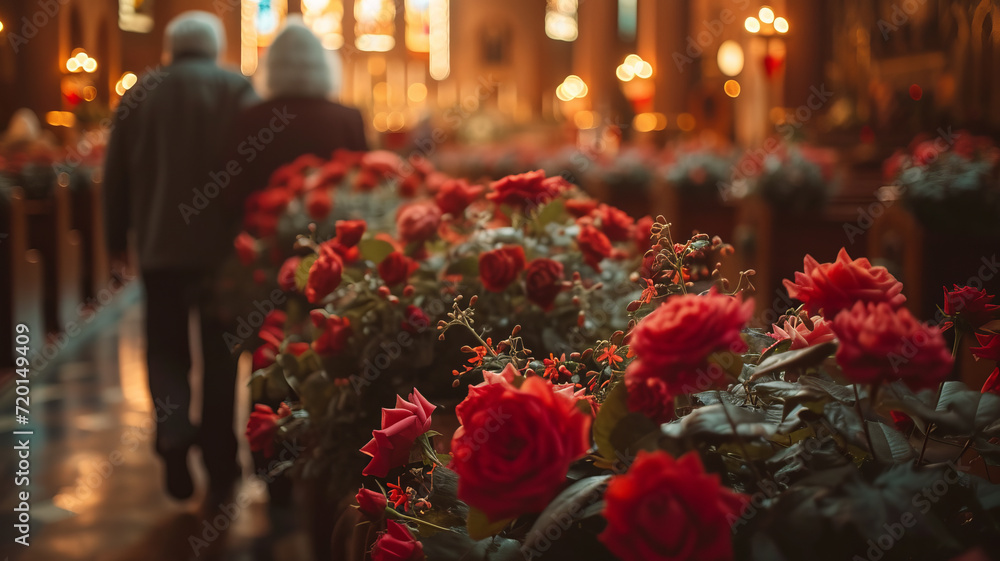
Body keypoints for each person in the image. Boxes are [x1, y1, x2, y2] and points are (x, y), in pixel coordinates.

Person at [102, 11, 257, 503]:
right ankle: (219, 457)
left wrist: (114, 241)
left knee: (166, 348)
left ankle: (172, 435)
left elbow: (116, 176)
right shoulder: (237, 88)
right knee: (220, 355)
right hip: (221, 253)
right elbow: (254, 166)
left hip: (159, 248)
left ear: (171, 47)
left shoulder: (138, 93)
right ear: (214, 47)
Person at [225, 16, 368, 208]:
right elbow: (363, 187)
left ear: (271, 65)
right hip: (332, 229)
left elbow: (236, 187)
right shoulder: (347, 118)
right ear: (324, 64)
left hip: (265, 230)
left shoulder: (253, 117)